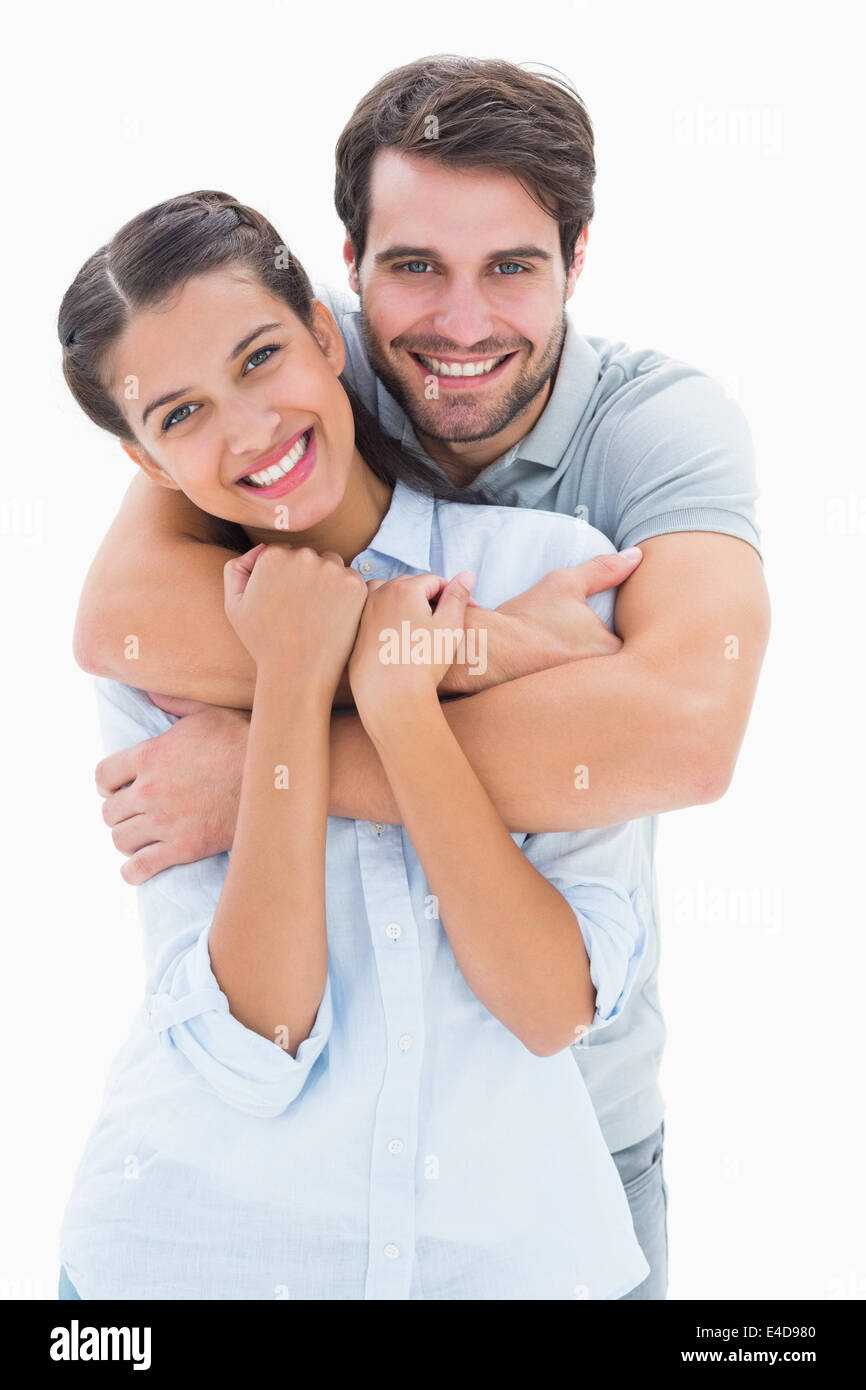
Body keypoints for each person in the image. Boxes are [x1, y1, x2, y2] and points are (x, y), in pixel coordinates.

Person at [71, 59, 771, 1299]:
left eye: (509, 265)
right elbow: (121, 624)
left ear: (577, 258)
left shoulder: (647, 438)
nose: (456, 324)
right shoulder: (275, 383)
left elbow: (677, 733)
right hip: (238, 1221)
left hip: (564, 1143)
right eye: (412, 268)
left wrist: (272, 759)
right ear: (346, 276)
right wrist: (474, 650)